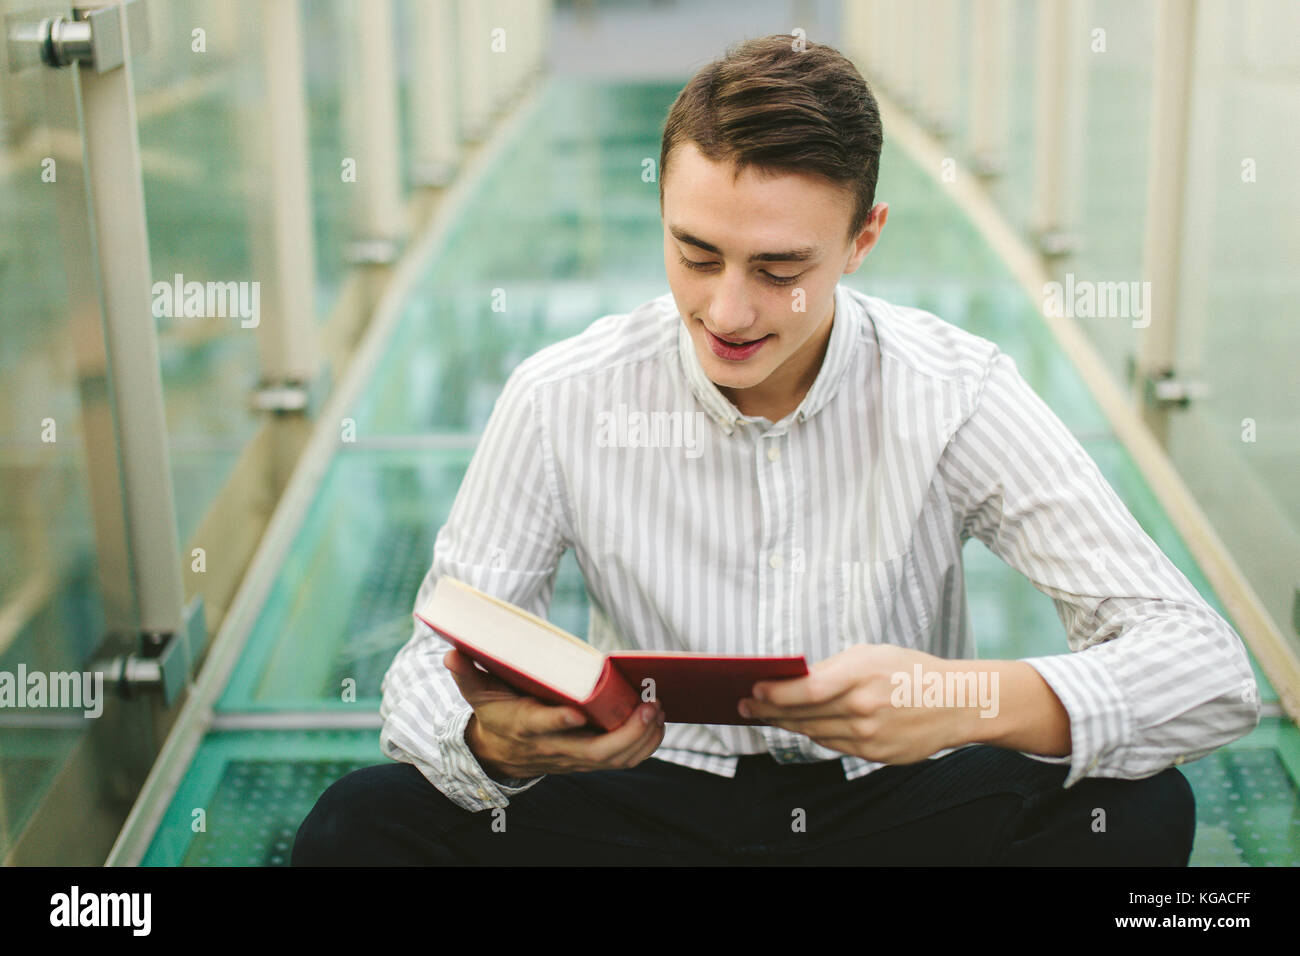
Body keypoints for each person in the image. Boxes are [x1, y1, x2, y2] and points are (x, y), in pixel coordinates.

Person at [292, 34, 1259, 866]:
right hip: (644, 795)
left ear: (862, 239)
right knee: (360, 827)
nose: (727, 311)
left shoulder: (954, 390)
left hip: (890, 804)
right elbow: (424, 670)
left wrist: (961, 698)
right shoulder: (563, 395)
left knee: (1132, 813)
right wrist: (491, 739)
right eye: (696, 254)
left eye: (781, 269)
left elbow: (1207, 668)